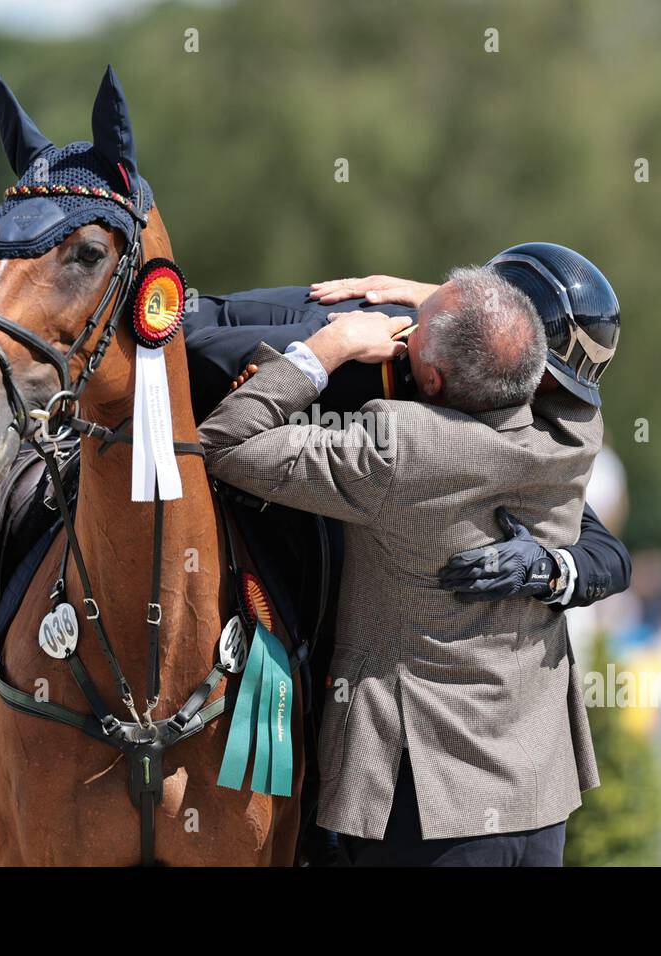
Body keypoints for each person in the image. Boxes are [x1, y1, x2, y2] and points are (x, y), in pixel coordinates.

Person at [0, 245, 630, 835]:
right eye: (547, 378)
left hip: (304, 486)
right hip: (198, 432)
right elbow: (207, 320)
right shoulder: (400, 332)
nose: (541, 399)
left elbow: (598, 545)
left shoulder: (505, 425)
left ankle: (319, 809)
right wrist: (333, 340)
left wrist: (556, 565)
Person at [200, 260, 612, 865]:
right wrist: (472, 311)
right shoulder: (576, 432)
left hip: (433, 814)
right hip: (537, 801)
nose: (402, 327)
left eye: (413, 332)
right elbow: (543, 364)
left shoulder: (397, 451)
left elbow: (223, 443)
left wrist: (328, 348)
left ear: (432, 382)